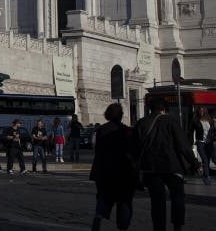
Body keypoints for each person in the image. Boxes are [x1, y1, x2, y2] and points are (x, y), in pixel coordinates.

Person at [133, 96, 201, 231]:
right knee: (178, 197)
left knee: (157, 201)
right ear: (164, 109)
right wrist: (195, 163)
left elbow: (134, 148)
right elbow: (183, 145)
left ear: (150, 109)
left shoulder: (141, 123)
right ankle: (177, 226)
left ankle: (159, 228)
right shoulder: (171, 121)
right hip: (171, 166)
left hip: (150, 168)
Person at [90, 103, 136, 231]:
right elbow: (130, 151)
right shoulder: (126, 131)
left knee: (103, 197)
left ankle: (99, 215)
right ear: (121, 116)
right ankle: (123, 226)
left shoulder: (100, 130)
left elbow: (97, 149)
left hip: (103, 170)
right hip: (122, 171)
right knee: (124, 200)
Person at [193, 107, 211, 185]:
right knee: (205, 159)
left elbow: (212, 131)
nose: (201, 112)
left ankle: (206, 175)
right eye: (200, 111)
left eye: (203, 111)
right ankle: (206, 177)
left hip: (209, 142)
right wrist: (193, 141)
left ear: (205, 111)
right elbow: (192, 131)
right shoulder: (196, 121)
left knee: (209, 159)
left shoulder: (209, 120)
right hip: (200, 142)